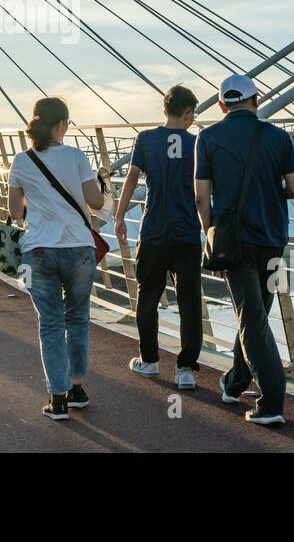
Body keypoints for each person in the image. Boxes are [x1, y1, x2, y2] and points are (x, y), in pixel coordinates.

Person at [195, 74, 294, 426]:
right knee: (255, 318)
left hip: (234, 242)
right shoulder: (277, 136)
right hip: (273, 238)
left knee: (252, 319)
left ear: (222, 105)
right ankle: (235, 382)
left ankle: (272, 403)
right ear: (256, 101)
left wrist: (208, 229)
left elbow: (201, 195)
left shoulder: (208, 137)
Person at [8, 97, 105, 421]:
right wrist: (100, 185)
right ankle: (78, 388)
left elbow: (14, 212)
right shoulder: (76, 156)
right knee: (78, 318)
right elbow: (95, 201)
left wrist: (39, 205)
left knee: (50, 323)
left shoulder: (22, 160)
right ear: (61, 125)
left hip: (38, 251)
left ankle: (58, 398)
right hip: (79, 249)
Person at [114, 85, 202, 390]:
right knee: (190, 302)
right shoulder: (196, 143)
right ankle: (187, 369)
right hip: (187, 233)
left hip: (153, 231)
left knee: (148, 298)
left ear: (165, 109)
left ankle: (149, 361)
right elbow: (205, 190)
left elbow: (131, 178)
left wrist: (120, 216)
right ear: (188, 113)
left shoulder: (146, 139)